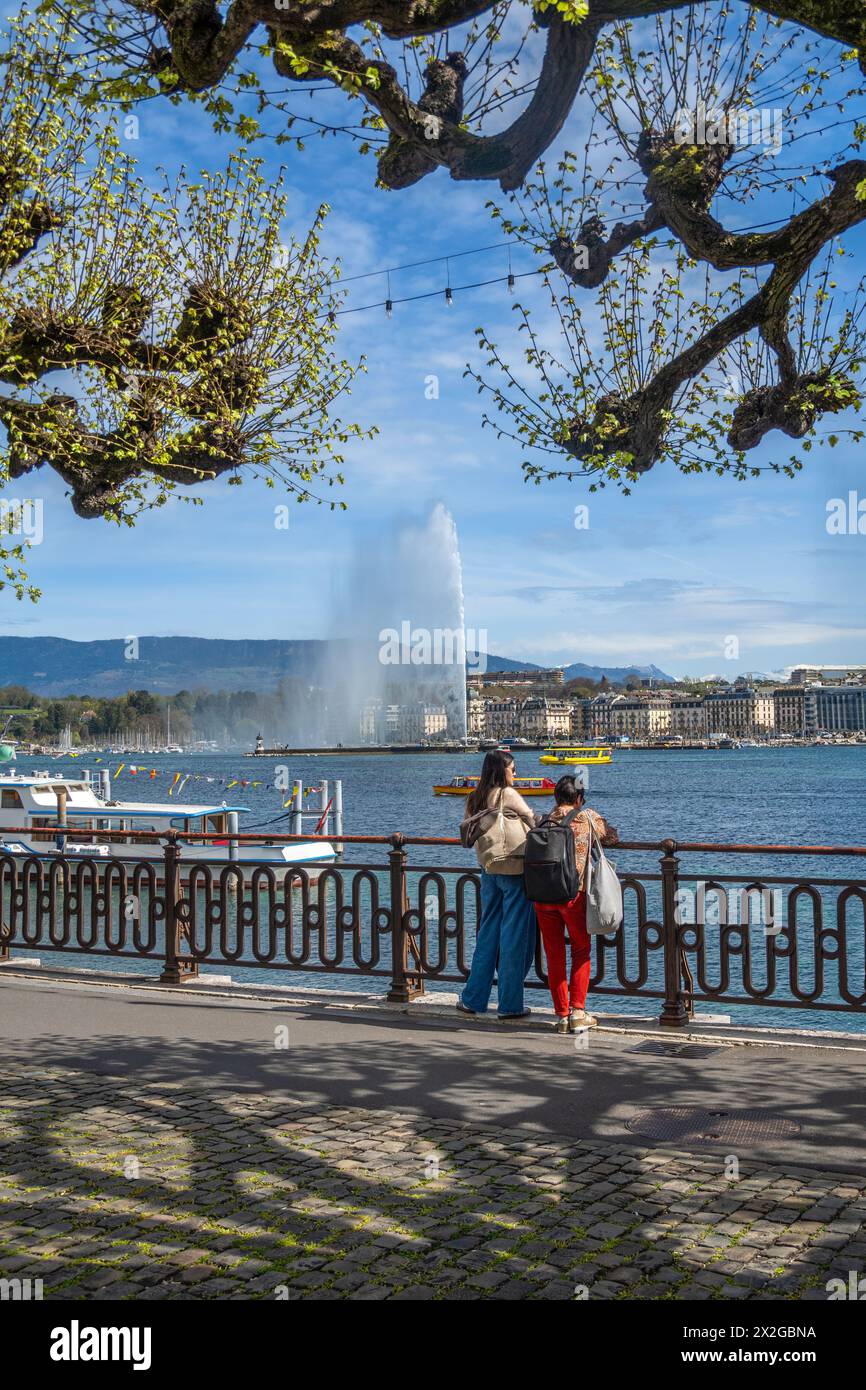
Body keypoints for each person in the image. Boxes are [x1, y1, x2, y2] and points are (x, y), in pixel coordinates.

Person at [535, 775, 619, 1034]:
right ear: (579, 799)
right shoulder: (587, 817)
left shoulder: (543, 819)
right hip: (573, 896)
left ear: (556, 797)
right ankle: (578, 1012)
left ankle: (561, 1016)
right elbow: (611, 837)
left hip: (542, 895)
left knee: (554, 954)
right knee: (581, 951)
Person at [458, 749, 538, 1021]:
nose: (515, 773)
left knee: (488, 933)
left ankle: (473, 999)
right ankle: (510, 1004)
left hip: (488, 868)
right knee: (514, 936)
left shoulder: (474, 797)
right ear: (501, 771)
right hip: (514, 870)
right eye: (512, 769)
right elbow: (533, 820)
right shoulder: (508, 795)